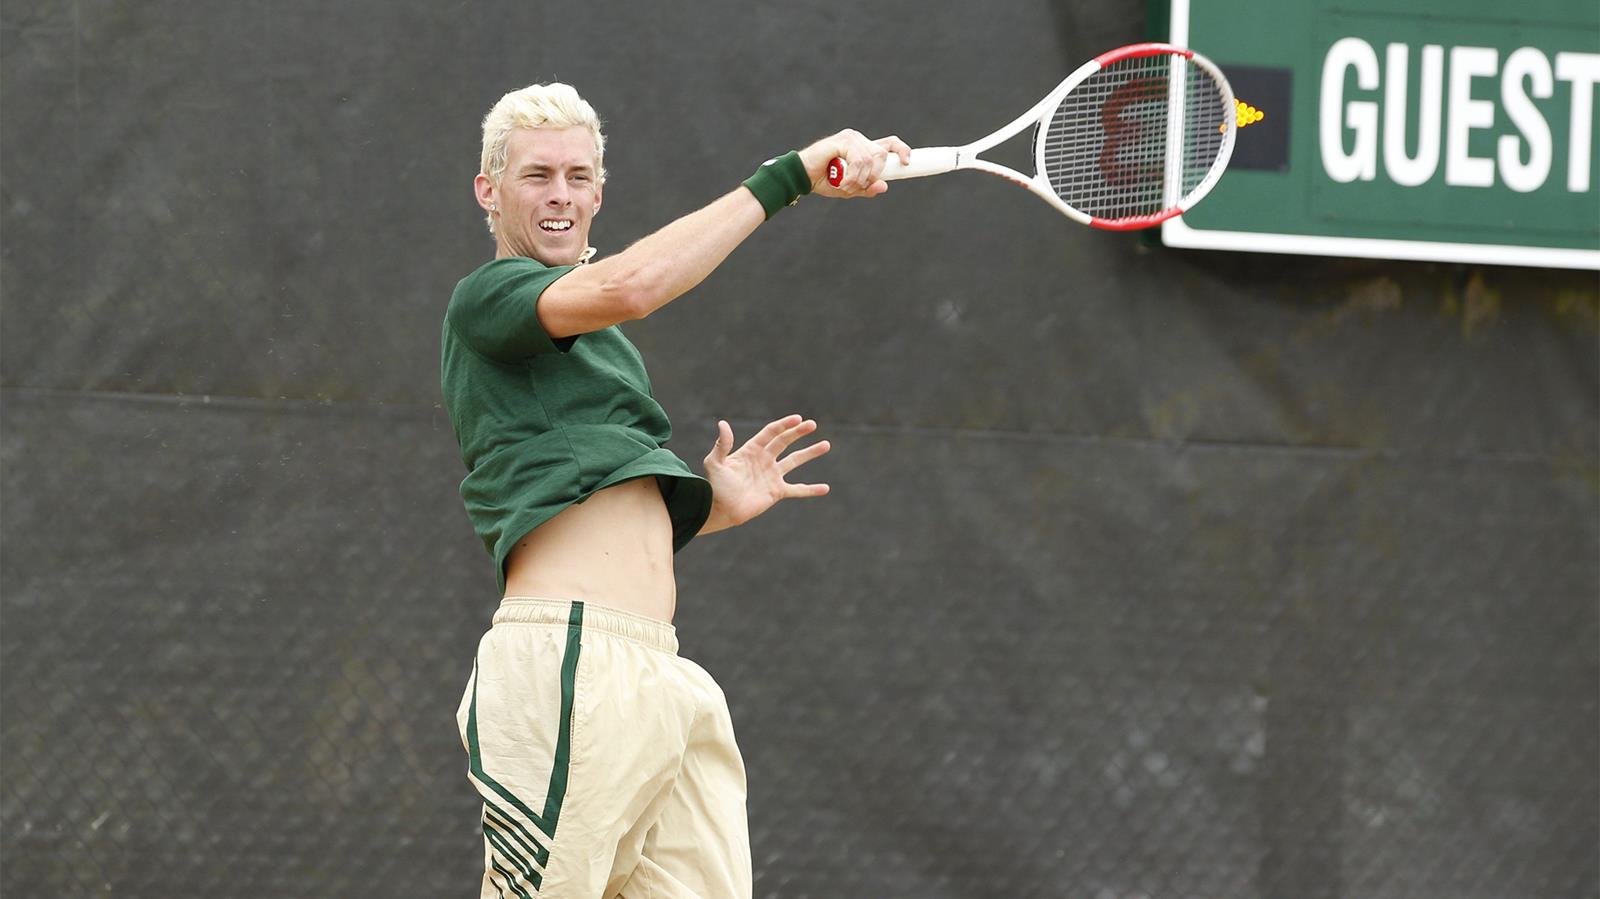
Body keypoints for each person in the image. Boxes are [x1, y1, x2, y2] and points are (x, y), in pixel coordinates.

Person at [442, 82, 908, 899]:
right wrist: (789, 176)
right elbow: (633, 285)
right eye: (536, 175)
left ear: (598, 192)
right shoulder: (491, 298)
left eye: (579, 177)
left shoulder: (603, 347)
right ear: (490, 190)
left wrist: (706, 504)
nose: (560, 195)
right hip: (568, 662)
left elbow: (579, 498)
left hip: (662, 675)